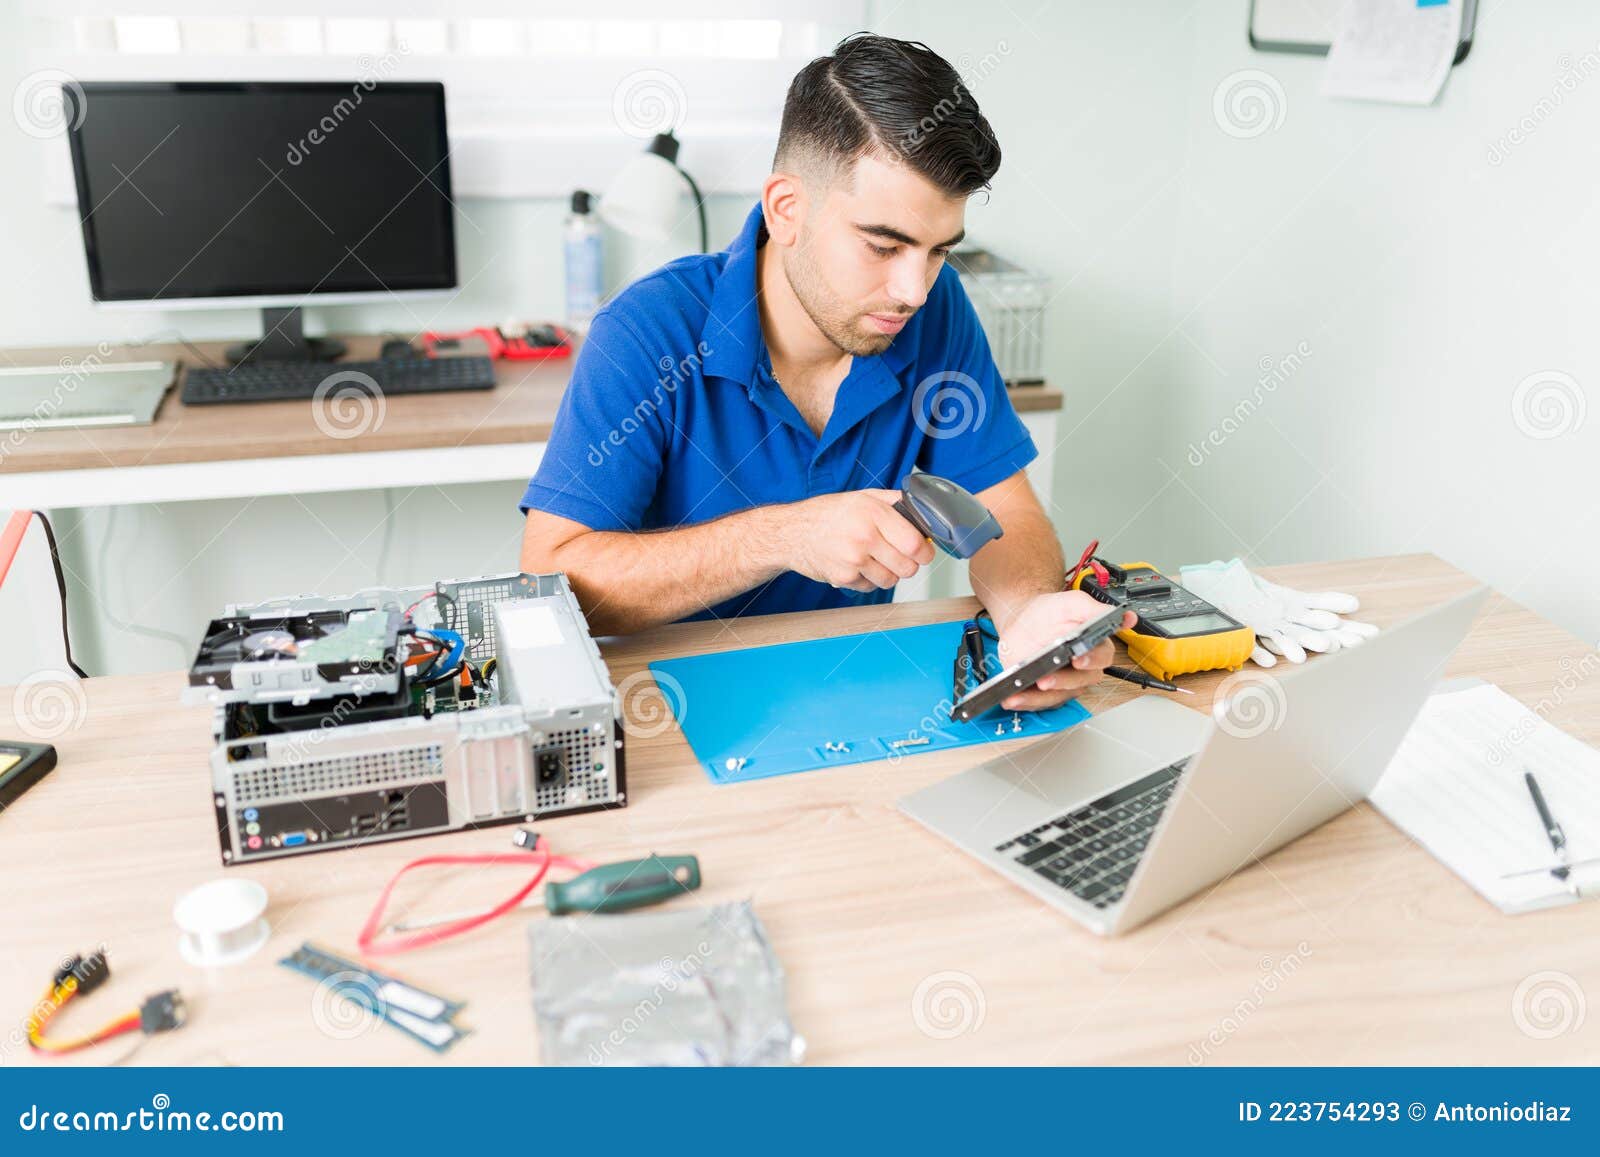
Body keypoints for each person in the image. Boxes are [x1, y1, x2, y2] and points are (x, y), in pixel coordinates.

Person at [520, 33, 1128, 712]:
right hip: (666, 712)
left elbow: (1005, 509)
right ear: (787, 210)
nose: (914, 289)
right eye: (884, 245)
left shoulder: (933, 312)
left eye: (937, 252)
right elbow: (551, 578)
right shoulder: (646, 331)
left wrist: (1031, 622)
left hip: (848, 698)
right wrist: (786, 535)